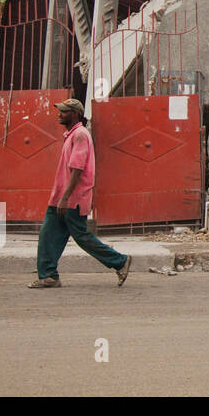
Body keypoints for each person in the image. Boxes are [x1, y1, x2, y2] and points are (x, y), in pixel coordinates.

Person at [29, 99, 132, 288]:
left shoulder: (81, 135)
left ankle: (120, 261)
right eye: (60, 111)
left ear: (75, 114)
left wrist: (66, 197)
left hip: (72, 199)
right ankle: (48, 276)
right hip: (60, 198)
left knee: (81, 236)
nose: (59, 114)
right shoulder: (72, 135)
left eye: (64, 111)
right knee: (48, 235)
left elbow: (77, 168)